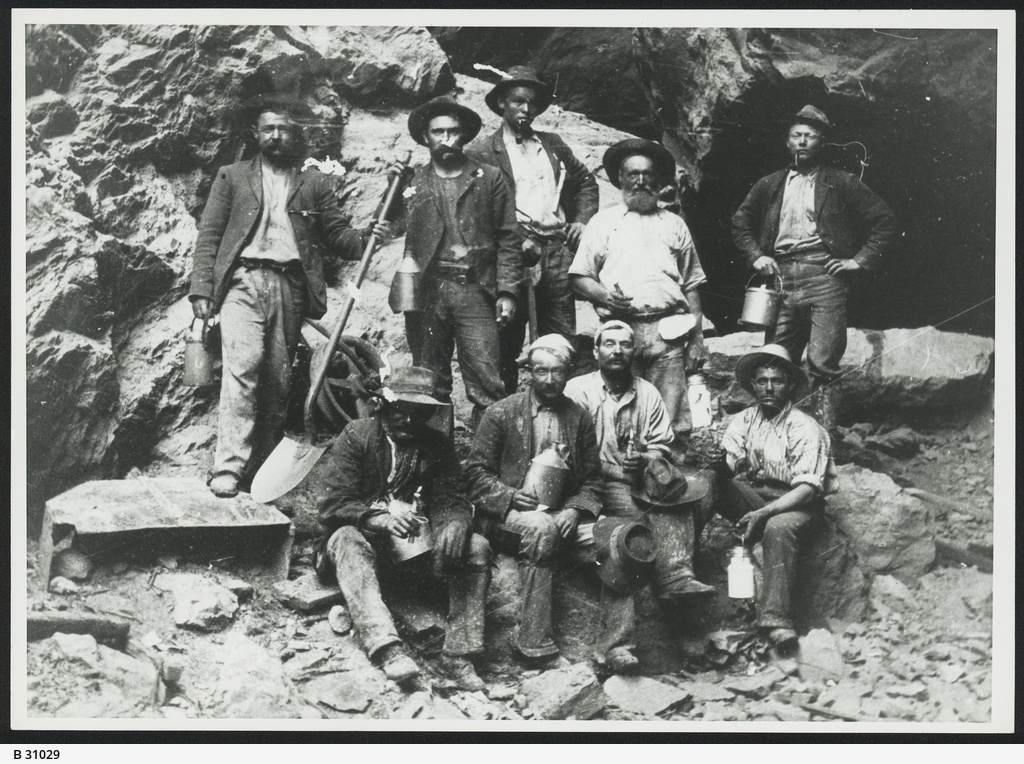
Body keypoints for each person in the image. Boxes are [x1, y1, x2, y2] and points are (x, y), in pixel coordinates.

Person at [189, 93, 392, 498]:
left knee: (278, 381)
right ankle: (228, 467)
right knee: (243, 367)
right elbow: (209, 235)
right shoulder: (232, 177)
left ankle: (261, 471)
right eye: (269, 129)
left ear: (296, 134)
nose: (276, 136)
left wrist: (369, 235)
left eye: (284, 129)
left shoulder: (314, 183)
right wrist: (201, 290)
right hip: (242, 282)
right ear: (256, 133)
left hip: (289, 286)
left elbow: (340, 237)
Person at [315, 366, 490, 690]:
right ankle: (386, 648)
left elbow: (451, 497)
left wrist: (454, 523)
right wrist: (379, 519)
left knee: (476, 546)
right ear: (384, 406)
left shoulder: (436, 444)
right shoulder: (357, 435)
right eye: (400, 411)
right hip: (366, 546)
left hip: (413, 554)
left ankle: (459, 655)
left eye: (419, 414)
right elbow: (332, 503)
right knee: (346, 538)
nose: (409, 421)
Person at [732, 105, 898, 432]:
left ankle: (825, 441)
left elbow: (884, 221)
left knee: (823, 362)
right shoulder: (770, 184)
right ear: (787, 142)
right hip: (780, 279)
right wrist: (756, 256)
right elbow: (740, 223)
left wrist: (858, 260)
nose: (803, 141)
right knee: (775, 360)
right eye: (797, 135)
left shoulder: (841, 182)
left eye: (811, 136)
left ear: (822, 142)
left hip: (825, 278)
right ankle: (774, 436)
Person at [464, 334, 610, 667]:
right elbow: (474, 475)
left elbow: (593, 479)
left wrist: (575, 509)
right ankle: (534, 646)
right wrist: (510, 495)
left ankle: (615, 647)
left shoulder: (578, 417)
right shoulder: (502, 413)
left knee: (615, 538)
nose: (548, 379)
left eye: (557, 371)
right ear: (529, 372)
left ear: (568, 372)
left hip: (562, 517)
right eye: (541, 371)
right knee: (542, 528)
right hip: (508, 518)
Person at [565, 320, 717, 615]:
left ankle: (679, 579)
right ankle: (669, 582)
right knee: (643, 518)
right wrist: (615, 470)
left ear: (634, 352)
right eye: (609, 344)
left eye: (625, 345)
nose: (617, 351)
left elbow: (662, 445)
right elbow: (575, 452)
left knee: (680, 497)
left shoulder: (647, 392)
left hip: (637, 477)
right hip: (595, 481)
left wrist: (645, 458)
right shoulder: (578, 391)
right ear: (596, 352)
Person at [390, 95, 522, 427]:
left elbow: (509, 238)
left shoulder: (489, 177)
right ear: (425, 137)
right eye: (438, 132)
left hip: (475, 290)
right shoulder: (412, 181)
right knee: (428, 383)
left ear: (464, 136)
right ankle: (438, 456)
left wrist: (507, 292)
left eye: (453, 132)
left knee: (487, 380)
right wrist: (391, 187)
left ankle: (487, 454)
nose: (446, 139)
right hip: (427, 293)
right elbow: (388, 225)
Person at [569, 139, 708, 450]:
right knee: (621, 408)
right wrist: (604, 296)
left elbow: (692, 284)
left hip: (667, 333)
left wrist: (697, 340)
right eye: (633, 174)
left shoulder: (674, 224)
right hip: (621, 331)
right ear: (620, 178)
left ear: (658, 181)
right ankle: (622, 469)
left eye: (648, 174)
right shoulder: (602, 222)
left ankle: (668, 469)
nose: (640, 181)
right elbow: (579, 278)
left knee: (671, 415)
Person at [469, 66, 599, 393]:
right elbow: (476, 213)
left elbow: (586, 182)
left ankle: (559, 409)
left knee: (560, 340)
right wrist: (516, 238)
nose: (526, 109)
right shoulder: (482, 152)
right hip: (511, 256)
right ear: (502, 103)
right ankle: (505, 410)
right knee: (506, 340)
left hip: (556, 253)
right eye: (518, 101)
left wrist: (581, 221)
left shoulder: (553, 144)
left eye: (532, 103)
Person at [708, 344, 838, 647]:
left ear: (789, 385)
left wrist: (765, 513)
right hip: (758, 498)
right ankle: (682, 573)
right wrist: (719, 463)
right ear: (753, 385)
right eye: (762, 381)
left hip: (798, 505)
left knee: (777, 527)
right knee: (707, 481)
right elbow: (731, 463)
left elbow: (807, 489)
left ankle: (776, 621)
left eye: (777, 381)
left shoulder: (804, 426)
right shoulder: (745, 420)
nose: (769, 388)